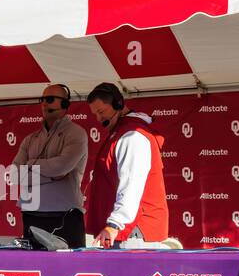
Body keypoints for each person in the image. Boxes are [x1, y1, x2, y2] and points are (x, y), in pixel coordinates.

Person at [83, 82, 169, 247]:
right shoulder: (122, 132)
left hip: (132, 230)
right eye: (95, 114)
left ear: (118, 104)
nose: (99, 119)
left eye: (101, 111)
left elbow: (131, 184)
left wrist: (115, 224)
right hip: (126, 230)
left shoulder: (132, 135)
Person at [10, 83, 89, 249]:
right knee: (34, 266)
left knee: (69, 267)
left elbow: (62, 166)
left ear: (65, 104)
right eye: (42, 99)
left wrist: (30, 165)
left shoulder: (76, 133)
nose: (44, 104)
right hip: (31, 212)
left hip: (65, 212)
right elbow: (14, 175)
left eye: (50, 99)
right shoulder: (30, 139)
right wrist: (52, 176)